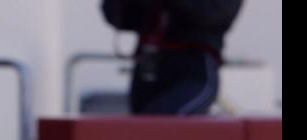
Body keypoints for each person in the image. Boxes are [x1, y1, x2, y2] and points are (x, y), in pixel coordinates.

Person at [101, 0, 243, 116]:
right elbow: (120, 17)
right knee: (142, 134)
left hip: (192, 69)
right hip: (148, 70)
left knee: (166, 127)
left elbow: (213, 13)